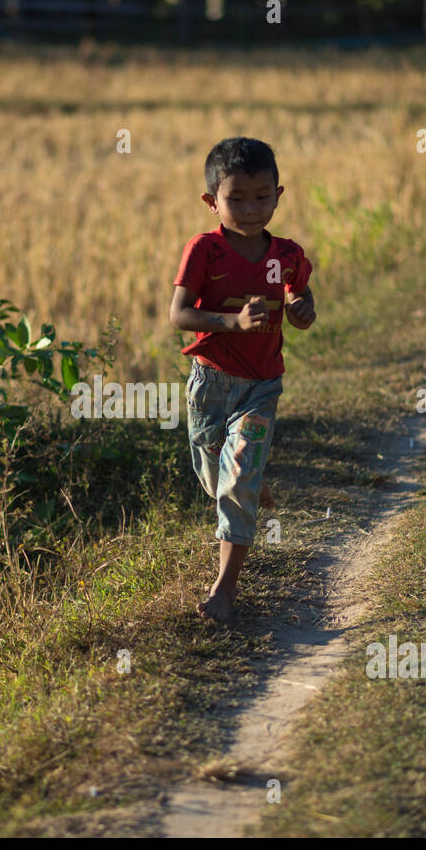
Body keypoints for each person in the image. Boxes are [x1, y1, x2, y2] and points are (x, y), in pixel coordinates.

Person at [169, 137, 317, 624]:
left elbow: (302, 304)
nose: (252, 209)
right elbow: (180, 314)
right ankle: (250, 478)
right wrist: (232, 323)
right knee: (215, 479)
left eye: (262, 196)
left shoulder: (288, 255)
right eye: (237, 199)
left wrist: (300, 310)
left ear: (279, 193)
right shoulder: (205, 251)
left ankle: (224, 590)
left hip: (261, 386)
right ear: (212, 202)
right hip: (209, 384)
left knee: (234, 488)